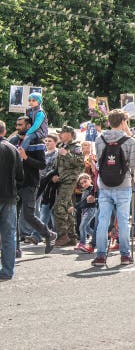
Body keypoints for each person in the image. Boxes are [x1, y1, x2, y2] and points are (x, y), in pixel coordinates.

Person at [92, 109, 135, 267]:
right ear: (124, 122)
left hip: (104, 184)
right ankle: (125, 255)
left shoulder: (99, 139)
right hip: (123, 184)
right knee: (124, 221)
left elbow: (99, 161)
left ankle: (101, 255)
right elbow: (133, 166)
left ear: (109, 122)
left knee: (103, 220)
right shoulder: (130, 141)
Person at [9, 116, 55, 253]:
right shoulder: (14, 141)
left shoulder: (37, 142)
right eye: (16, 124)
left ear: (29, 126)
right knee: (13, 216)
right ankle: (16, 248)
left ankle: (48, 234)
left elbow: (42, 164)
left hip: (30, 183)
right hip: (15, 184)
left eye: (20, 125)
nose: (17, 127)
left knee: (28, 215)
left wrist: (26, 158)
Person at [1, 121, 24, 280]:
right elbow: (20, 177)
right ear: (4, 131)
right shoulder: (13, 149)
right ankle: (8, 271)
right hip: (9, 197)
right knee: (9, 235)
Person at [53, 125, 83, 247]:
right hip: (62, 180)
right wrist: (54, 174)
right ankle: (71, 236)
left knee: (59, 207)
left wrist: (67, 154)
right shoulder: (61, 146)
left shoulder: (75, 147)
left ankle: (62, 235)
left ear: (69, 134)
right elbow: (58, 165)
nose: (60, 135)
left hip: (70, 180)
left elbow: (80, 163)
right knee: (68, 209)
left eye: (62, 133)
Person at [72, 173, 97, 253]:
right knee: (86, 228)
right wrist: (76, 207)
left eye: (85, 181)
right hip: (85, 210)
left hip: (91, 210)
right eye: (82, 183)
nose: (83, 184)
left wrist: (75, 207)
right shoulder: (85, 190)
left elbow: (93, 199)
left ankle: (82, 243)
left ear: (90, 180)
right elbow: (82, 202)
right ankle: (98, 238)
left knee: (82, 226)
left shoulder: (92, 189)